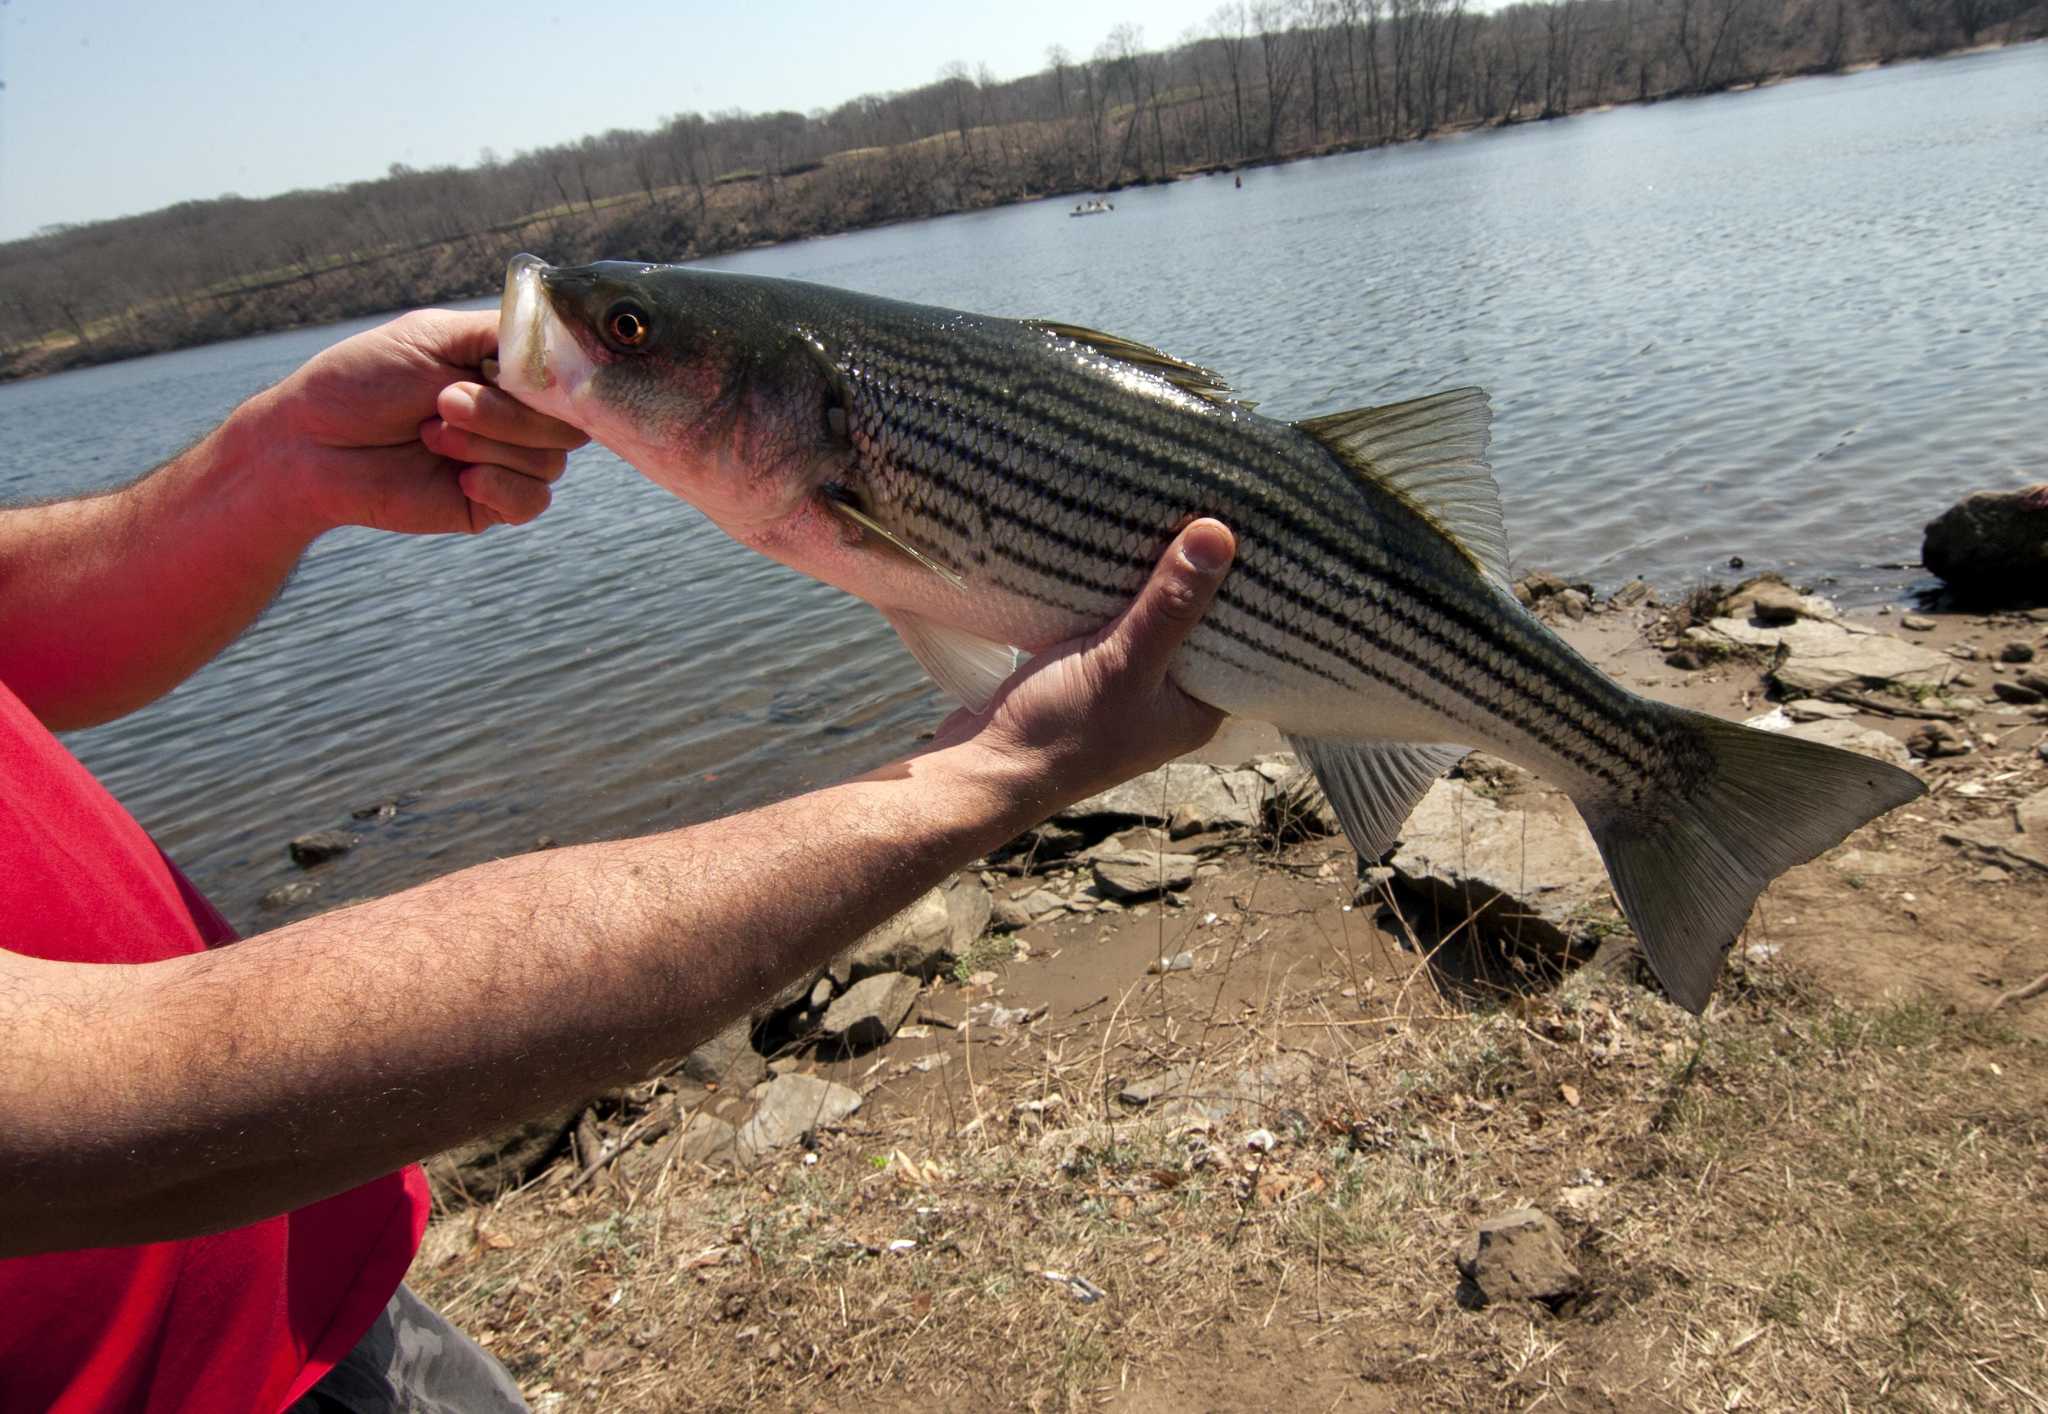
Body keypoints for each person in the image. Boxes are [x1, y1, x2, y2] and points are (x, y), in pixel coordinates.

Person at [0, 308, 1239, 1411]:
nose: (599, 342)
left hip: (328, 1291)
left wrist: (268, 468)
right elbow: (108, 1100)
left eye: (635, 335)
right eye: (628, 335)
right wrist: (993, 772)